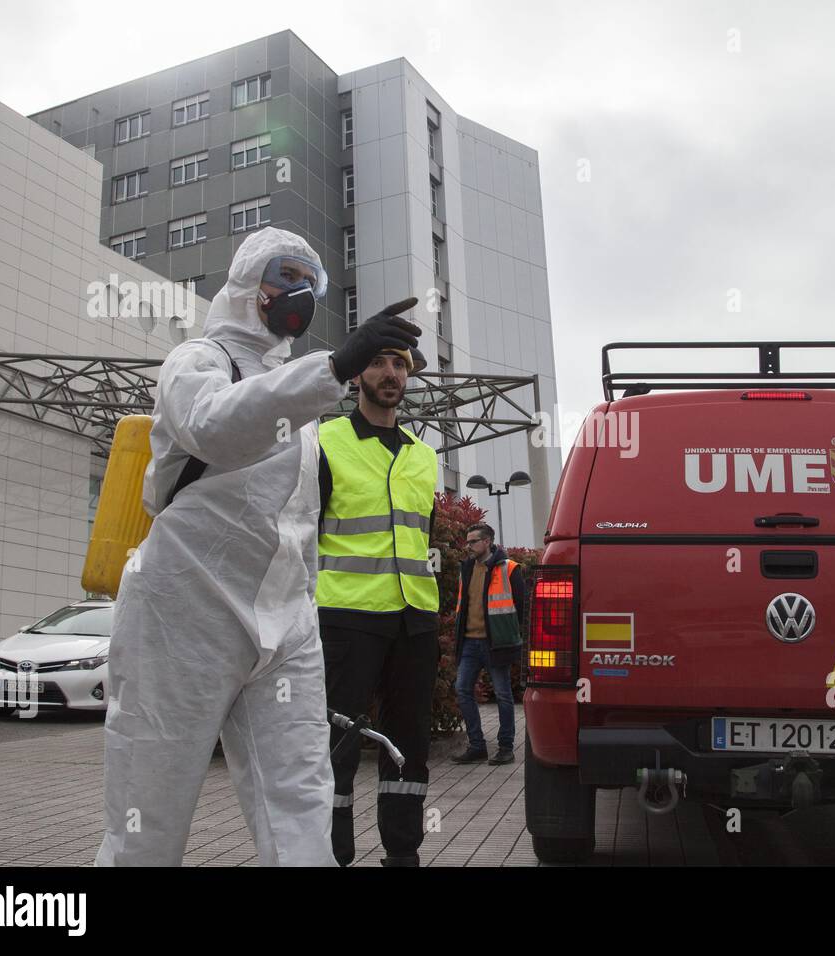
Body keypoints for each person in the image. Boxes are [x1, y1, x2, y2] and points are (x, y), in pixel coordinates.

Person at [96, 226, 421, 866]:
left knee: (300, 798)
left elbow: (293, 524)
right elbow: (216, 428)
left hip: (282, 628)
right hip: (184, 614)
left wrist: (303, 607)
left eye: (309, 279)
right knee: (149, 808)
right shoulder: (198, 361)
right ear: (248, 283)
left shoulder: (297, 391)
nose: (297, 291)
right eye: (283, 275)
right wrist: (332, 368)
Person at [317, 342, 440, 867]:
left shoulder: (423, 455)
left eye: (399, 365)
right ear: (355, 376)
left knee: (409, 742)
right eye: (377, 363)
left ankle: (403, 854)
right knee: (337, 746)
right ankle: (332, 855)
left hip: (415, 618)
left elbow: (423, 537)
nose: (390, 374)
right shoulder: (324, 442)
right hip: (346, 617)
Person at [451, 523, 526, 766]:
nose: (468, 546)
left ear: (487, 542)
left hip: (496, 643)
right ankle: (477, 746)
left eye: (473, 541)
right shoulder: (466, 569)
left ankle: (506, 747)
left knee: (504, 696)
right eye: (468, 541)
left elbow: (522, 607)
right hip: (470, 642)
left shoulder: (509, 568)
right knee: (462, 689)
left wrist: (514, 637)